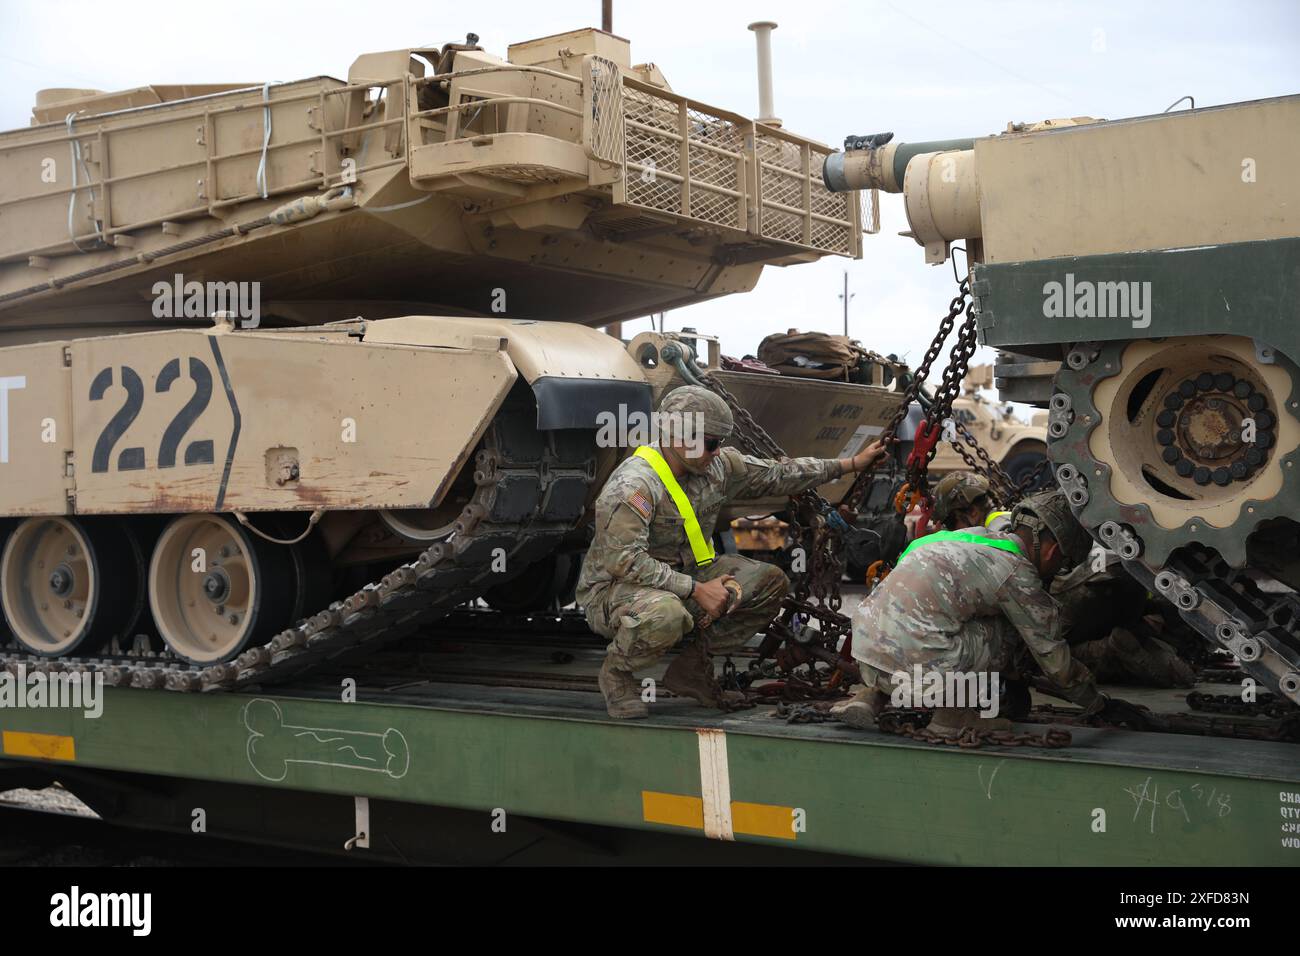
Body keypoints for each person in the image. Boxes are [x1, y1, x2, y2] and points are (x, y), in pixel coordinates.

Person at [577, 385, 890, 718]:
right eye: (710, 443)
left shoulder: (714, 468)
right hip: (618, 589)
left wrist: (851, 463)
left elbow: (777, 474)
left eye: (720, 443)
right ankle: (618, 674)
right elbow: (624, 560)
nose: (716, 451)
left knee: (769, 582)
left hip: (681, 575)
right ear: (677, 436)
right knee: (666, 616)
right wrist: (697, 590)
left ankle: (693, 668)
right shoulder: (635, 486)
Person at [835, 488, 1140, 735]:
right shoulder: (1015, 572)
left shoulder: (963, 538)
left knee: (912, 621)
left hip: (868, 653)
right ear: (1052, 552)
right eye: (1061, 565)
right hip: (919, 668)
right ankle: (954, 717)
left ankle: (868, 696)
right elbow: (1053, 659)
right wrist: (1096, 703)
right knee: (1013, 629)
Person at [931, 471, 1010, 532]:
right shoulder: (1003, 520)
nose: (952, 531)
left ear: (972, 512)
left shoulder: (997, 532)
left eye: (950, 524)